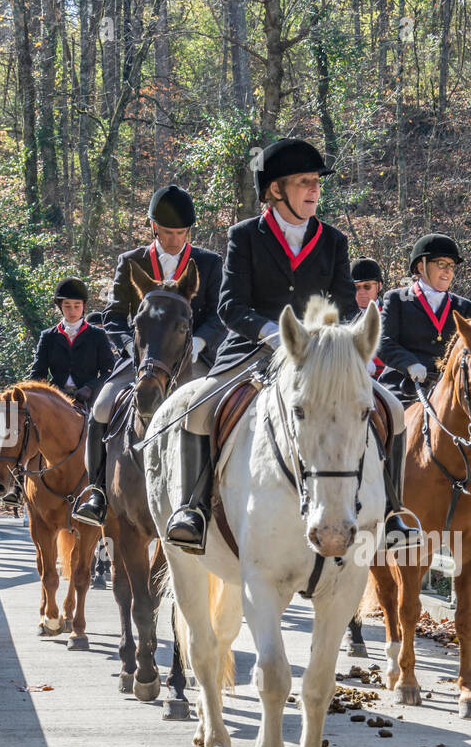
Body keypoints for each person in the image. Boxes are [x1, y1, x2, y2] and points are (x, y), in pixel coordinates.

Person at [165, 138, 421, 556]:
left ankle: (394, 511)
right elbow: (230, 305)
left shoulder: (333, 240)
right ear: (275, 189)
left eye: (316, 181)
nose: (314, 189)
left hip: (318, 356)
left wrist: (329, 344)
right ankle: (193, 509)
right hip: (253, 348)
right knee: (201, 408)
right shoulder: (244, 236)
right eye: (304, 181)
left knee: (390, 407)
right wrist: (271, 332)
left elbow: (340, 305)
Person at [72, 185, 224, 526]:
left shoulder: (209, 263)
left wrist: (199, 343)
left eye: (181, 233)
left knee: (216, 410)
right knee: (101, 406)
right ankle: (96, 492)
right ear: (154, 226)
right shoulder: (132, 262)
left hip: (190, 357)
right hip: (142, 359)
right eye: (168, 232)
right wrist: (129, 345)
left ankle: (213, 494)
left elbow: (218, 315)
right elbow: (113, 315)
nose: (174, 240)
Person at [376, 235, 471, 403]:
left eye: (451, 266)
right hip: (403, 384)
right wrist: (409, 364)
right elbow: (383, 341)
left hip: (446, 387)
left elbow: (470, 350)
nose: (448, 271)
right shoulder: (397, 299)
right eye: (441, 264)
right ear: (421, 267)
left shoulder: (463, 306)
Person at [29, 277, 115, 404]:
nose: (72, 311)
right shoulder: (48, 336)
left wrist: (90, 387)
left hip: (89, 397)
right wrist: (54, 390)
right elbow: (37, 374)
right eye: (67, 306)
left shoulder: (97, 335)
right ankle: (5, 423)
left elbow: (108, 371)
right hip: (55, 399)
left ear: (83, 305)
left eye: (77, 305)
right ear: (60, 306)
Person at [352, 256, 386, 378]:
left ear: (379, 286)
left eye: (367, 286)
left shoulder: (391, 314)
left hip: (385, 380)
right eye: (356, 287)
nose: (361, 292)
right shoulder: (343, 318)